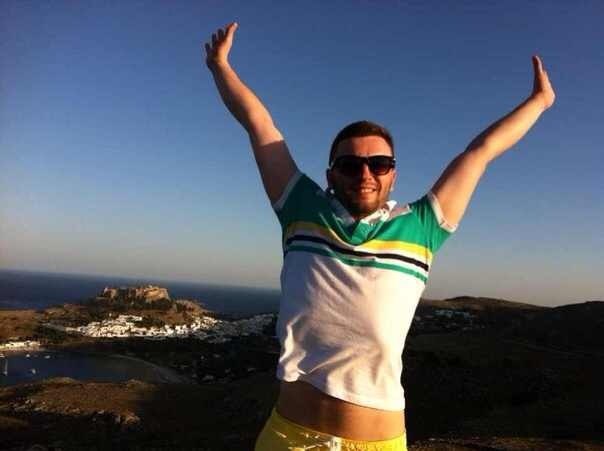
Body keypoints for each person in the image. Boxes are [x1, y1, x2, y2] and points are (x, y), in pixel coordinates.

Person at [204, 22, 555, 451]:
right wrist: (220, 66)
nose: (365, 173)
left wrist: (539, 102)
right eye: (350, 165)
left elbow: (480, 152)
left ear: (393, 175)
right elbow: (260, 125)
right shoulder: (301, 208)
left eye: (380, 164)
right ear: (331, 175)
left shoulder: (422, 226)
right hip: (289, 437)